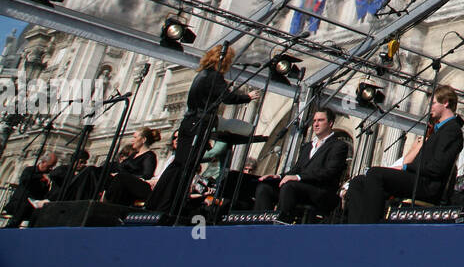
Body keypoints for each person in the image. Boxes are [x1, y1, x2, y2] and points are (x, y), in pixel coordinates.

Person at [149, 44, 259, 218]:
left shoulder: (202, 75)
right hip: (199, 125)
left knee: (179, 163)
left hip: (189, 122)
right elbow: (227, 98)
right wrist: (248, 97)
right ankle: (171, 205)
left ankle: (160, 202)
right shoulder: (215, 76)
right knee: (188, 166)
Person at [347, 85, 463, 223]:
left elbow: (437, 168)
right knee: (357, 182)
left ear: (446, 103)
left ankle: (370, 227)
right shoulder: (439, 130)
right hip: (418, 178)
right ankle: (356, 227)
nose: (430, 107)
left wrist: (407, 167)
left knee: (375, 174)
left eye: (433, 103)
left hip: (427, 185)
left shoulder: (451, 130)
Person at [254, 109, 348, 222]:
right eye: (314, 121)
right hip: (299, 188)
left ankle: (281, 224)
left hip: (320, 191)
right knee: (265, 187)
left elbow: (329, 172)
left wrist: (299, 177)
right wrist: (279, 176)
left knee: (289, 186)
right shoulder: (308, 146)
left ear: (330, 123)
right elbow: (297, 169)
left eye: (320, 120)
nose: (316, 124)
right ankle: (261, 225)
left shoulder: (338, 146)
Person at [98, 127, 161, 205]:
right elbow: (121, 167)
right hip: (120, 179)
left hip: (135, 184)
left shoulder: (149, 155)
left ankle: (107, 205)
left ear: (143, 140)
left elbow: (147, 175)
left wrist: (125, 175)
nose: (132, 140)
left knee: (120, 178)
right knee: (94, 171)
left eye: (135, 137)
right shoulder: (133, 155)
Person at [5, 152, 59, 227]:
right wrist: (40, 176)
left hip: (34, 204)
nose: (50, 169)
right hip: (20, 202)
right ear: (43, 162)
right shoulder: (30, 170)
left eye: (52, 167)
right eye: (49, 166)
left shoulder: (49, 175)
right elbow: (24, 179)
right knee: (22, 209)